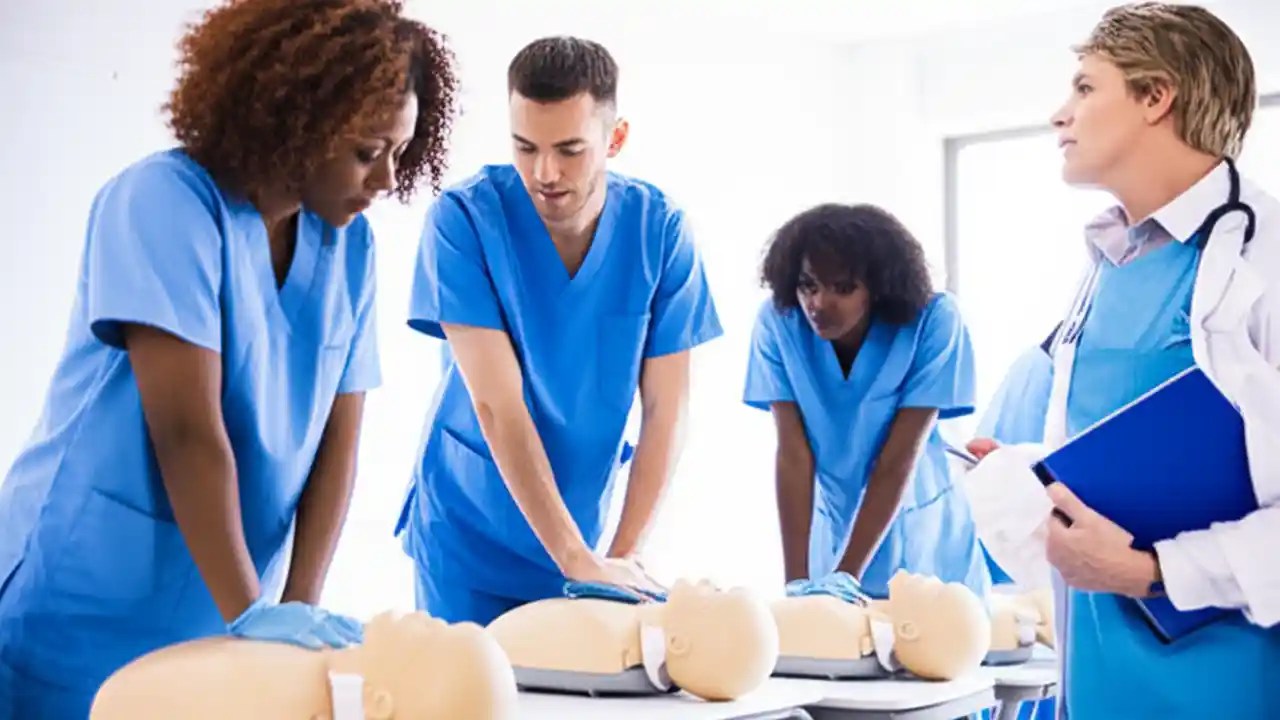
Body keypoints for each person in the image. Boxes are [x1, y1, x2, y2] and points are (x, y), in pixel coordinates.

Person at [0, 1, 459, 716]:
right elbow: (187, 430)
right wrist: (249, 609)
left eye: (400, 152)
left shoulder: (350, 247)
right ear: (296, 119)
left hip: (220, 619)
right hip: (81, 604)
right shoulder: (164, 203)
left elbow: (337, 444)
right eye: (368, 152)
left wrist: (295, 615)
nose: (387, 180)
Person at [969, 3, 1280, 717]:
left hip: (1228, 690)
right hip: (1097, 683)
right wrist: (1030, 476)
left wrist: (1152, 571)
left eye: (1084, 87)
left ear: (1155, 97)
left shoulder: (1265, 259)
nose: (1059, 114)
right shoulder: (1109, 264)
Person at [396, 36, 722, 626]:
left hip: (583, 539)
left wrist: (620, 558)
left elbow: (666, 411)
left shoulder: (660, 231)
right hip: (468, 540)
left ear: (614, 139)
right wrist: (576, 557)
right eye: (525, 147)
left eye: (570, 150)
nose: (544, 173)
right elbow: (496, 404)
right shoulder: (464, 220)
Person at [743, 203, 991, 601]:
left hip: (920, 526)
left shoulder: (934, 320)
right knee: (825, 629)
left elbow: (898, 457)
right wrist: (796, 582)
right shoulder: (778, 322)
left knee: (931, 630)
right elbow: (793, 454)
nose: (819, 303)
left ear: (878, 288)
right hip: (833, 525)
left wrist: (847, 573)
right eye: (808, 285)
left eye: (843, 288)